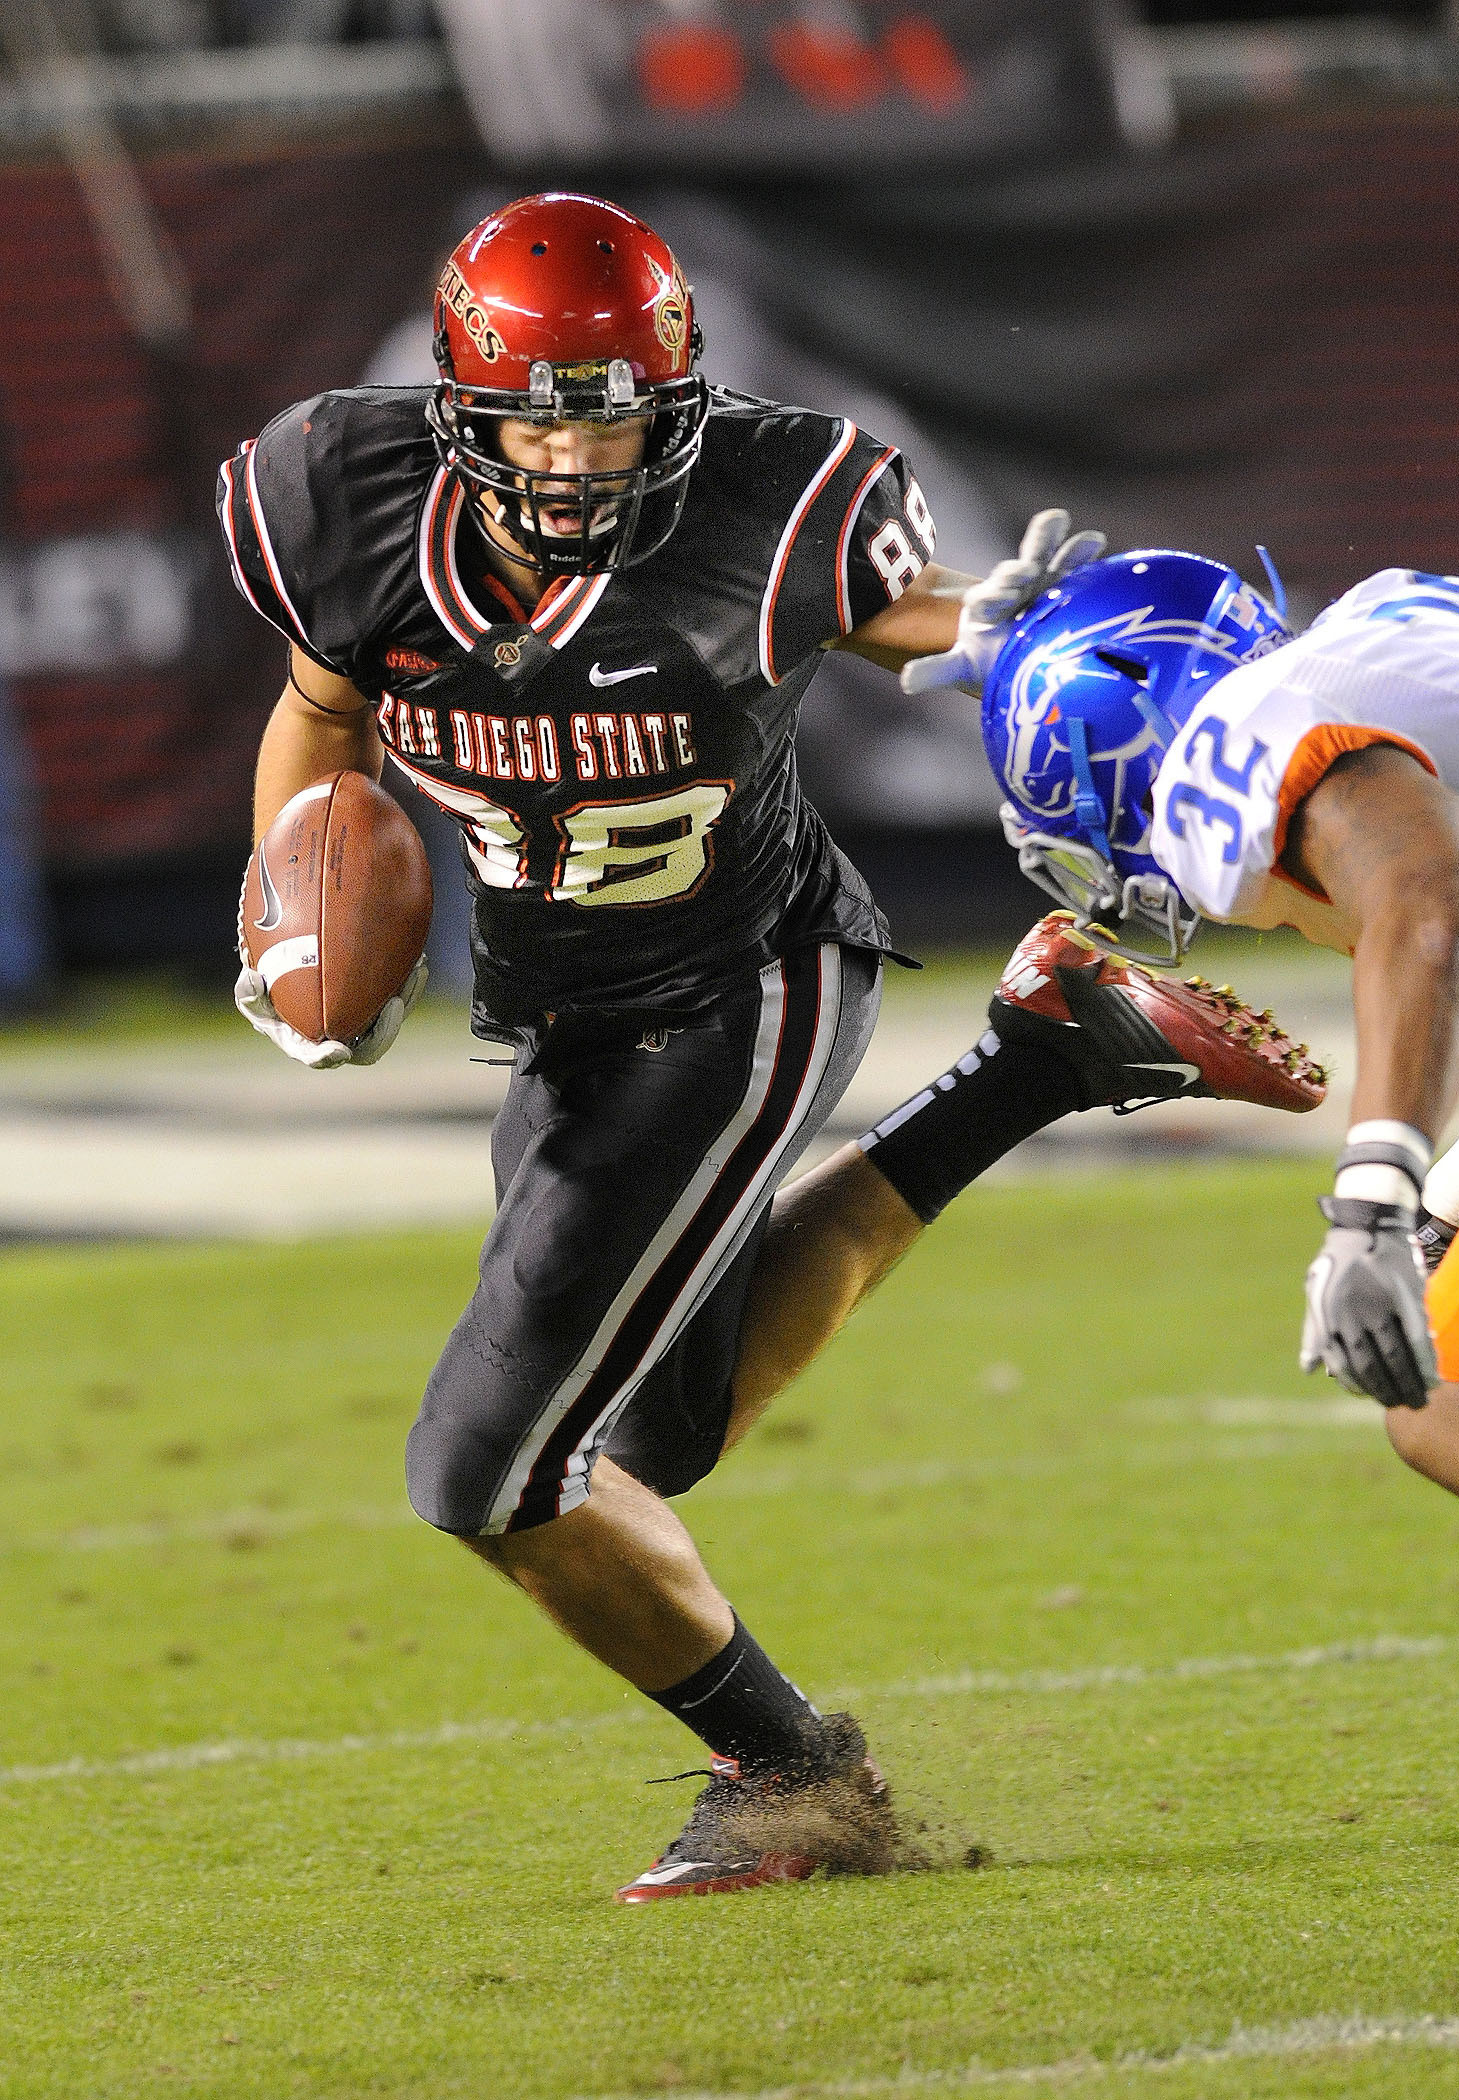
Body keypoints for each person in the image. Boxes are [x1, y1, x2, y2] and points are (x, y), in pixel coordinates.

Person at [219, 193, 1311, 1901]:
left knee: (494, 1470)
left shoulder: (760, 498)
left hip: (748, 986)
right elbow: (321, 710)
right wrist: (289, 904)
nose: (579, 462)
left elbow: (922, 614)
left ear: (682, 400)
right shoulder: (339, 500)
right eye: (539, 417)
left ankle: (798, 1773)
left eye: (616, 415)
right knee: (647, 1444)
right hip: (562, 1010)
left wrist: (1006, 628)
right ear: (458, 405)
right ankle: (1043, 1055)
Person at [950, 548, 1459, 1507]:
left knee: (1452, 1400)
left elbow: (1436, 907)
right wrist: (1444, 1200)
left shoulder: (1226, 748)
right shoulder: (1390, 628)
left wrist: (1371, 1209)